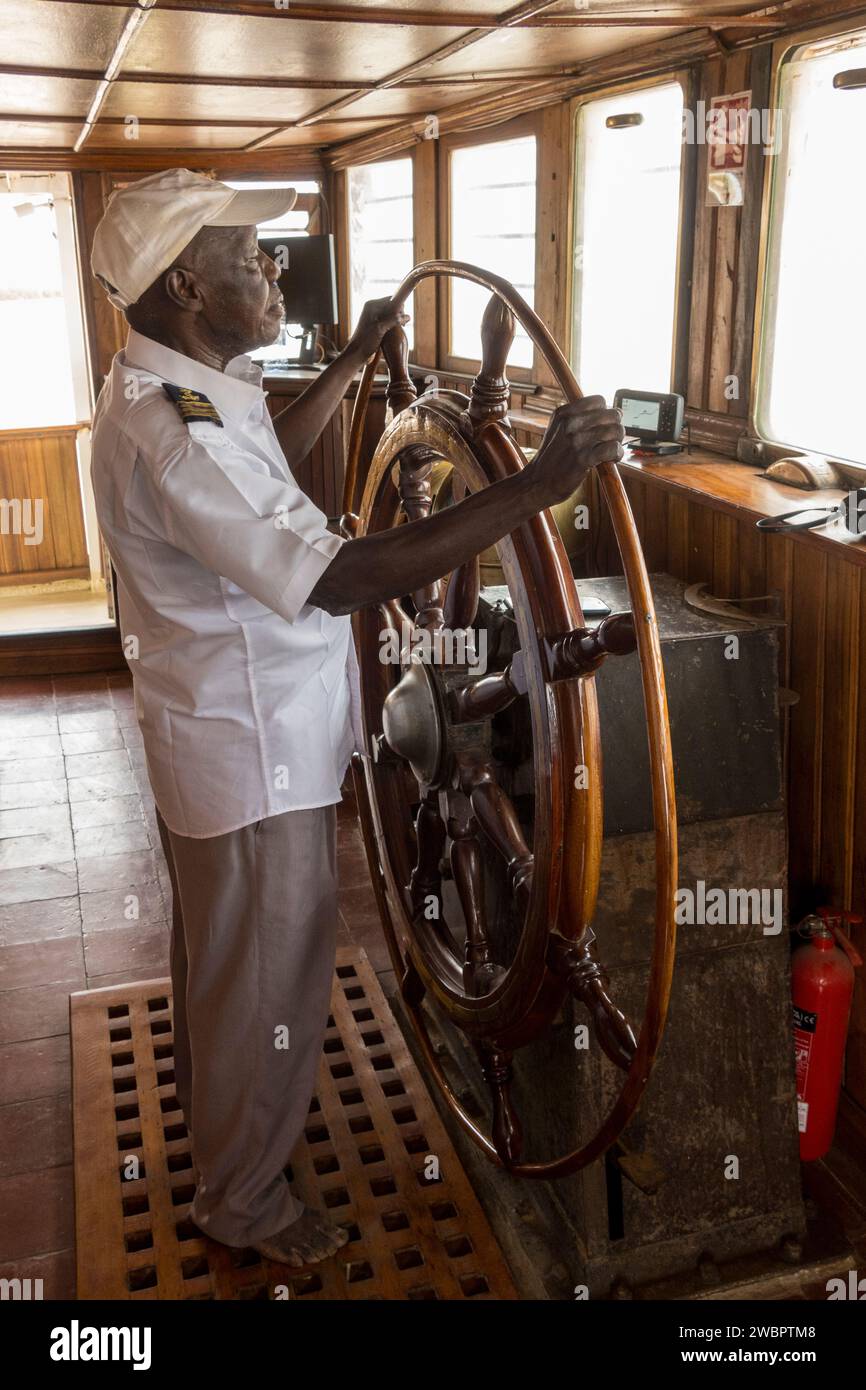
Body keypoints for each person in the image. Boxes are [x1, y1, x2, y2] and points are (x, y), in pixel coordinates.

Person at [89, 168, 624, 1269]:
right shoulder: (172, 432)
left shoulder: (181, 389)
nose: (273, 267)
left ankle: (223, 1139)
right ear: (187, 280)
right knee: (266, 977)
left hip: (229, 740)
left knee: (225, 968)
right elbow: (334, 577)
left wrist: (348, 356)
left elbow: (266, 476)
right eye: (251, 254)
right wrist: (538, 485)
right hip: (254, 757)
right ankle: (242, 1203)